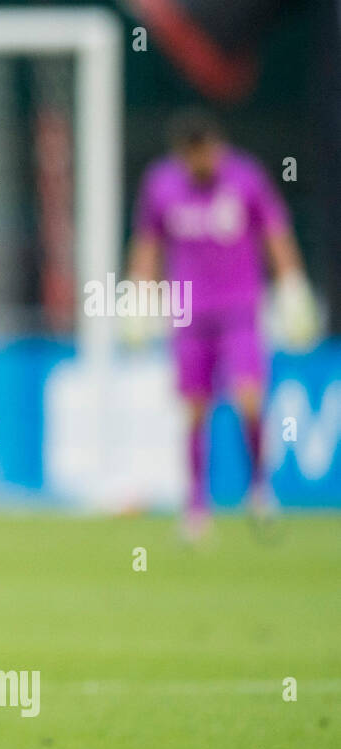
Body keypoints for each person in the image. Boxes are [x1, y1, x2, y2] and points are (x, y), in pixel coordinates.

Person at [126, 109, 311, 539]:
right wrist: (138, 294)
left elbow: (275, 233)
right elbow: (149, 242)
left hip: (240, 308)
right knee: (193, 408)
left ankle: (260, 492)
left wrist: (292, 287)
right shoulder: (162, 184)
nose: (201, 165)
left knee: (249, 396)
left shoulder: (246, 178)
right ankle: (195, 507)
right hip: (189, 311)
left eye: (206, 155)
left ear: (217, 147)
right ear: (181, 156)